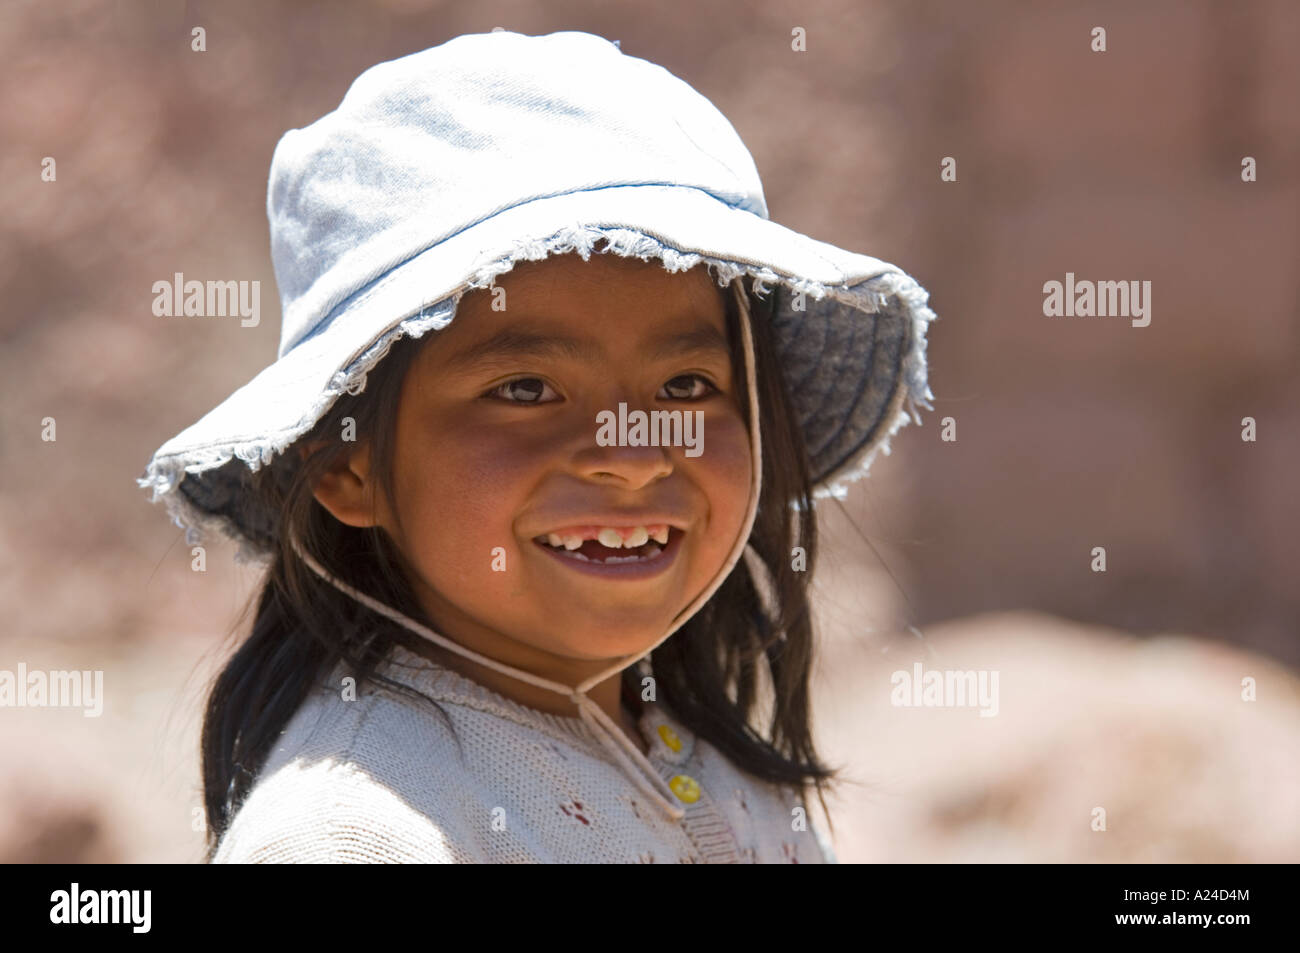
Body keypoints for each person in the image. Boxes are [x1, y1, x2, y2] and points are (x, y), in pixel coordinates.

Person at [139, 29, 938, 863]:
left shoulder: (708, 761)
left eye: (686, 387)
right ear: (345, 462)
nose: (631, 453)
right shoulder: (354, 836)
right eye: (525, 390)